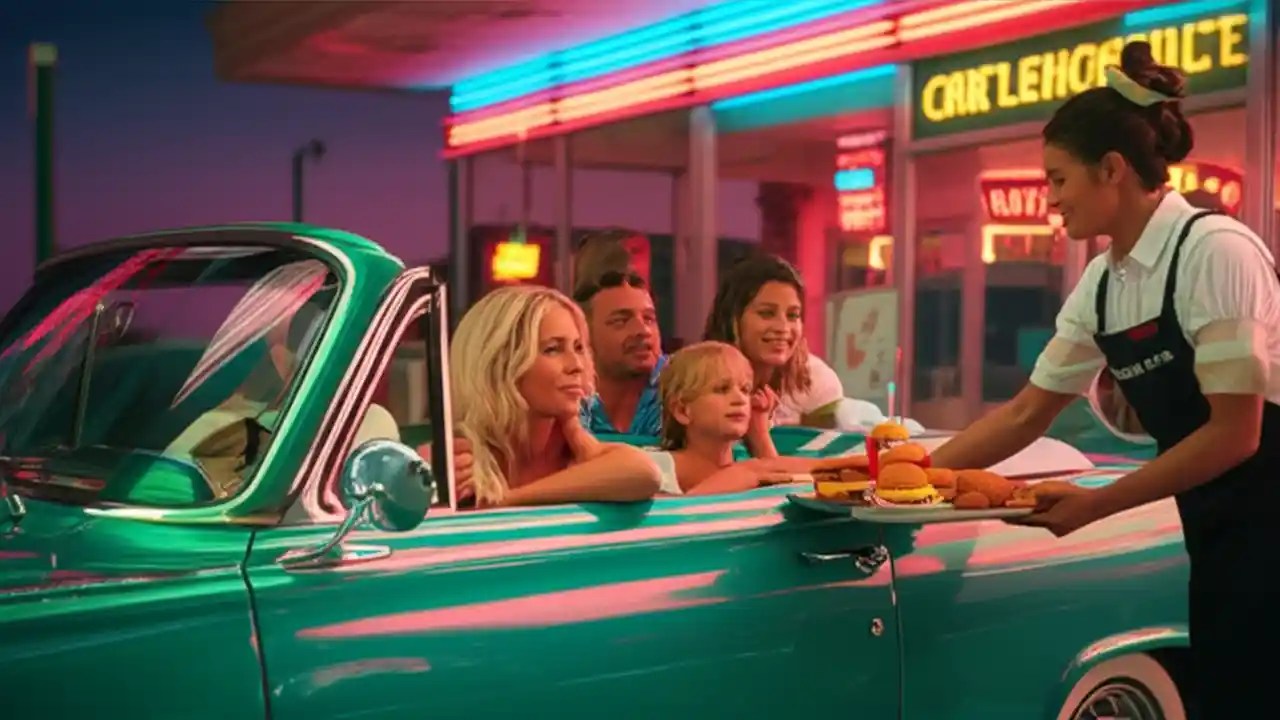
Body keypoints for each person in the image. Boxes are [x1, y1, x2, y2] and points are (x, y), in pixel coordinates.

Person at [930, 41, 1280, 718]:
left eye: (1059, 179)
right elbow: (1025, 414)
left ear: (1111, 170)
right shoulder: (1104, 282)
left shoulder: (1216, 251)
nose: (1050, 199)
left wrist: (1096, 505)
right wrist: (909, 480)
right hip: (1216, 530)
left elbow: (1236, 435)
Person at [449, 284, 662, 507]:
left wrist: (508, 500)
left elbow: (645, 473)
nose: (577, 365)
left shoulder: (575, 449)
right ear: (500, 364)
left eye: (579, 348)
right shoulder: (458, 455)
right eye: (553, 349)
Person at [648, 341, 812, 495]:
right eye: (722, 389)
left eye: (745, 390)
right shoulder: (655, 467)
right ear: (682, 410)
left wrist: (760, 433)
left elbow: (778, 493)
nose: (739, 399)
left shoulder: (746, 461)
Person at [703, 253, 845, 429]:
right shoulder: (698, 382)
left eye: (793, 315)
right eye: (767, 313)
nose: (783, 328)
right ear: (732, 318)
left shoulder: (817, 382)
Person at [573, 269, 665, 436]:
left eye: (649, 319)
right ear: (584, 334)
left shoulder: (687, 388)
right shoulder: (566, 390)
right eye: (621, 321)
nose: (643, 331)